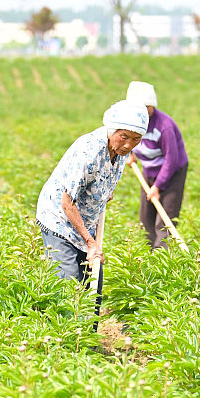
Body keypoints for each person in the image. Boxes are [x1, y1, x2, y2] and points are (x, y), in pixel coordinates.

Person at [36, 100, 148, 282]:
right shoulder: (89, 153)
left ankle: (91, 312)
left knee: (92, 284)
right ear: (113, 129)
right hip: (60, 219)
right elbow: (67, 202)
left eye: (136, 139)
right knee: (69, 284)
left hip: (85, 222)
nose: (128, 145)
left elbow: (105, 175)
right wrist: (90, 242)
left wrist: (103, 193)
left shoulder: (121, 150)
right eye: (124, 137)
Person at [126, 80, 188, 249]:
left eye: (145, 107)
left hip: (172, 172)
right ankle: (148, 255)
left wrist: (158, 187)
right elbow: (126, 138)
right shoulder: (133, 122)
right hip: (149, 169)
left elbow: (171, 160)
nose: (142, 112)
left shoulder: (164, 126)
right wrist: (130, 154)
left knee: (165, 220)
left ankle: (160, 260)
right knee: (146, 217)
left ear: (151, 106)